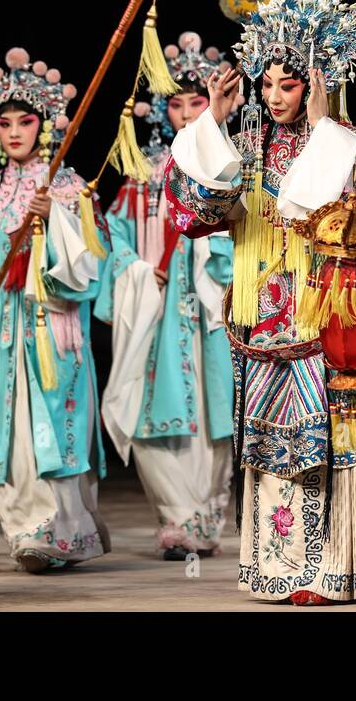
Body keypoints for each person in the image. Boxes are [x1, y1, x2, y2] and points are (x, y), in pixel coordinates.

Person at [164, 0, 356, 604]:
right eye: (266, 83)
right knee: (276, 444)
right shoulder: (245, 147)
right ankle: (282, 569)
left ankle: (339, 571)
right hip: (264, 323)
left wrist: (328, 135)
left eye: (289, 85)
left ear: (318, 83)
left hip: (326, 319)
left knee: (332, 440)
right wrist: (210, 124)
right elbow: (193, 212)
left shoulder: (353, 147)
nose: (273, 97)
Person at [0, 47, 111, 572]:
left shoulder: (68, 187)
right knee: (9, 435)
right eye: (5, 123)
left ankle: (65, 531)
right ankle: (24, 531)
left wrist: (55, 219)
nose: (15, 131)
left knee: (55, 429)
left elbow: (91, 265)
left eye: (26, 120)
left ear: (44, 125)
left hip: (51, 330)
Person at [95, 32, 236, 560]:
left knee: (214, 410)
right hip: (157, 310)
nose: (184, 113)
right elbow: (112, 237)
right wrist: (134, 269)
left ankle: (205, 517)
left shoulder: (231, 164)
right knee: (151, 408)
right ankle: (175, 519)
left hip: (212, 310)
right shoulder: (141, 177)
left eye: (195, 102)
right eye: (175, 104)